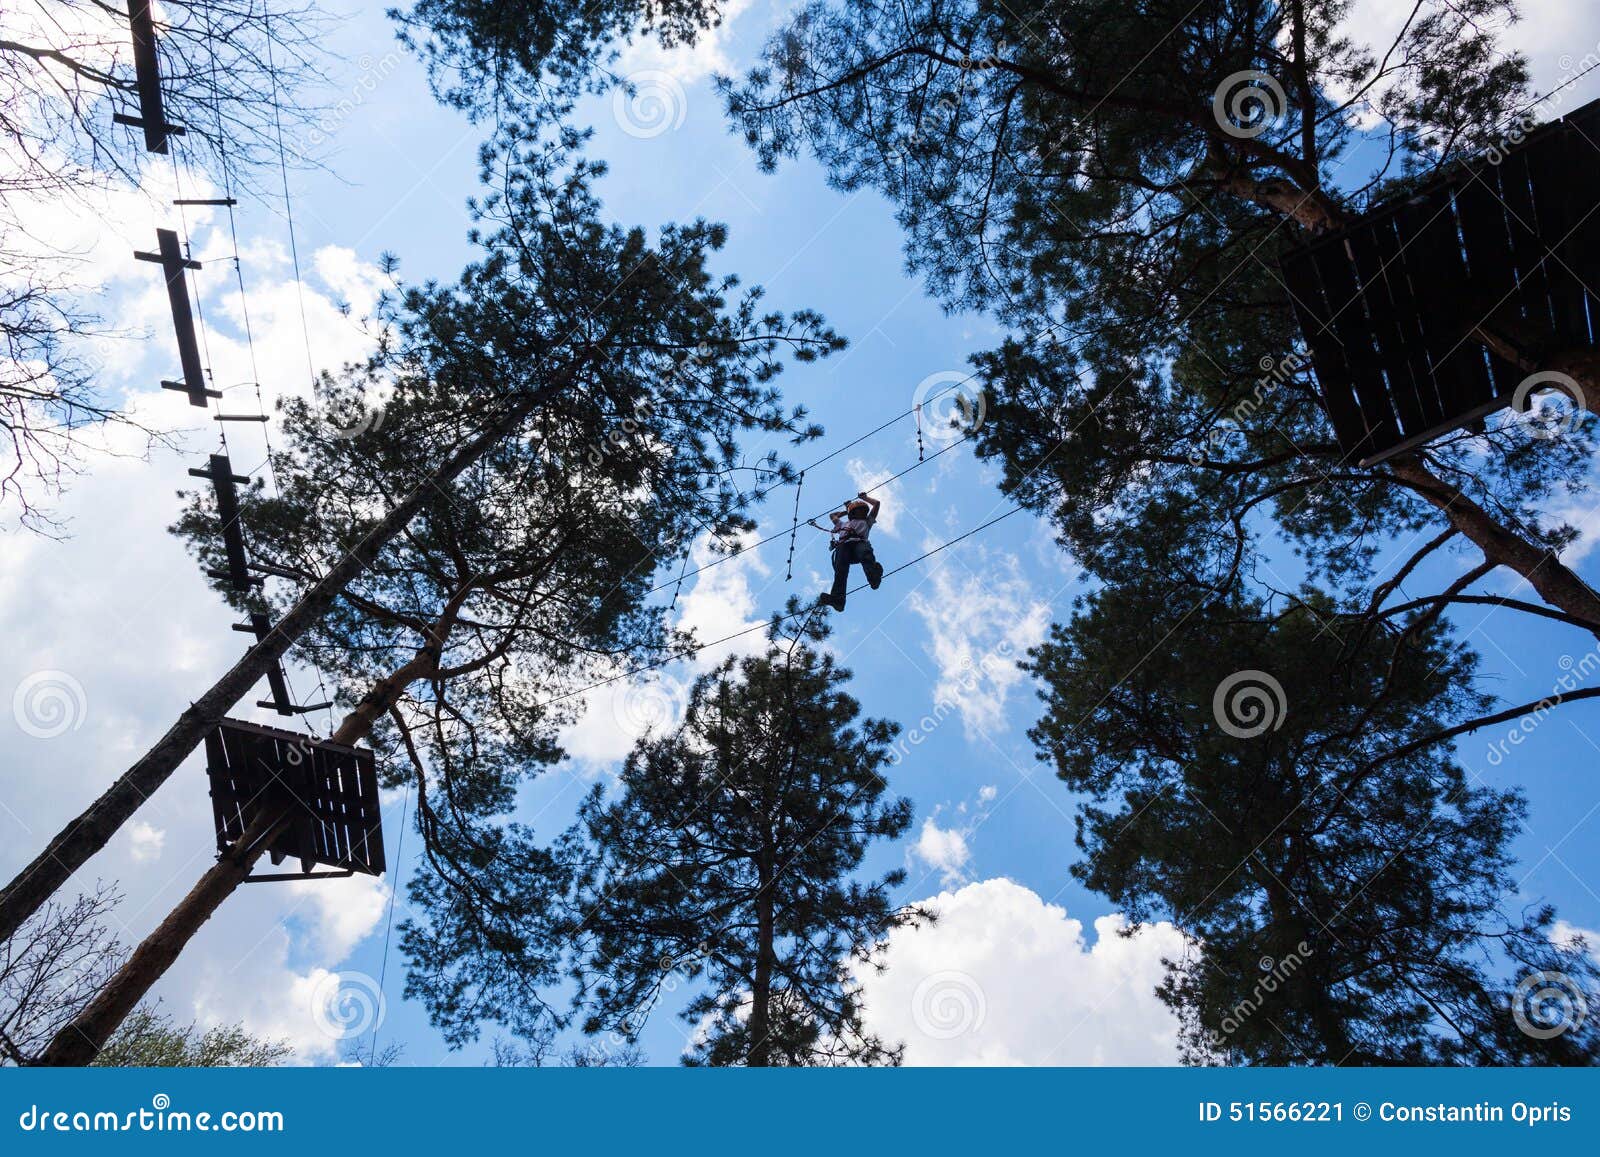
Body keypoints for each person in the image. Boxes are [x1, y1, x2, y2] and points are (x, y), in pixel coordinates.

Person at [816, 492, 883, 612]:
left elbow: (877, 504)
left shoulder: (867, 521)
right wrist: (847, 509)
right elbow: (833, 515)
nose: (862, 513)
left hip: (858, 544)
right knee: (840, 570)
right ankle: (838, 599)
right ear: (852, 514)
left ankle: (873, 577)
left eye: (863, 511)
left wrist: (865, 498)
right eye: (859, 510)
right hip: (844, 548)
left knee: (864, 552)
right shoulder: (842, 524)